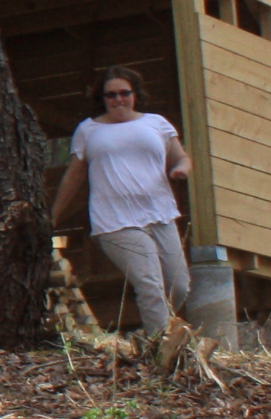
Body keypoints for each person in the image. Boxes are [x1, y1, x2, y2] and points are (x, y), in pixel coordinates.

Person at [52, 65, 196, 344]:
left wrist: (181, 169)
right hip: (115, 221)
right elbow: (74, 176)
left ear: (135, 94)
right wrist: (54, 215)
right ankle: (161, 347)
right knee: (150, 285)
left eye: (124, 93)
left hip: (160, 215)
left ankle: (148, 338)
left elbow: (182, 157)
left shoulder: (156, 123)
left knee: (179, 285)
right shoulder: (89, 130)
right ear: (102, 99)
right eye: (111, 95)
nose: (118, 100)